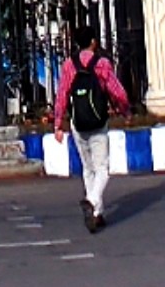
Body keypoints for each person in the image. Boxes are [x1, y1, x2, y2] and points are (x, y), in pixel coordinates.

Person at [53, 23, 129, 230]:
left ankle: (97, 213)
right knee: (102, 168)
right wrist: (125, 111)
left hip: (78, 123)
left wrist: (57, 123)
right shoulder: (102, 63)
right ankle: (93, 201)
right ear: (93, 42)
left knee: (88, 169)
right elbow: (117, 92)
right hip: (98, 122)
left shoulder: (69, 65)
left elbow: (61, 95)